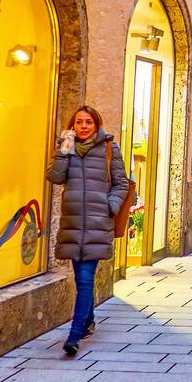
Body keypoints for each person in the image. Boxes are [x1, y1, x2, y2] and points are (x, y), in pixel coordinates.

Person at [47, 106, 129, 356]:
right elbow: (55, 177)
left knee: (85, 277)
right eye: (79, 122)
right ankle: (89, 319)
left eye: (89, 122)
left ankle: (74, 334)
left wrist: (111, 206)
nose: (84, 126)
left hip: (97, 222)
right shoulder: (66, 149)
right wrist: (64, 149)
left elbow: (121, 182)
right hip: (73, 223)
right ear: (73, 125)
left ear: (96, 125)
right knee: (81, 279)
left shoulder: (108, 149)